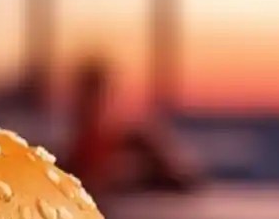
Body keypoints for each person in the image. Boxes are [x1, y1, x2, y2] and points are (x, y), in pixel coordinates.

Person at [64, 59, 198, 196]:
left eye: (96, 93)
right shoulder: (75, 152)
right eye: (88, 93)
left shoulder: (126, 139)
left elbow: (181, 178)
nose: (91, 103)